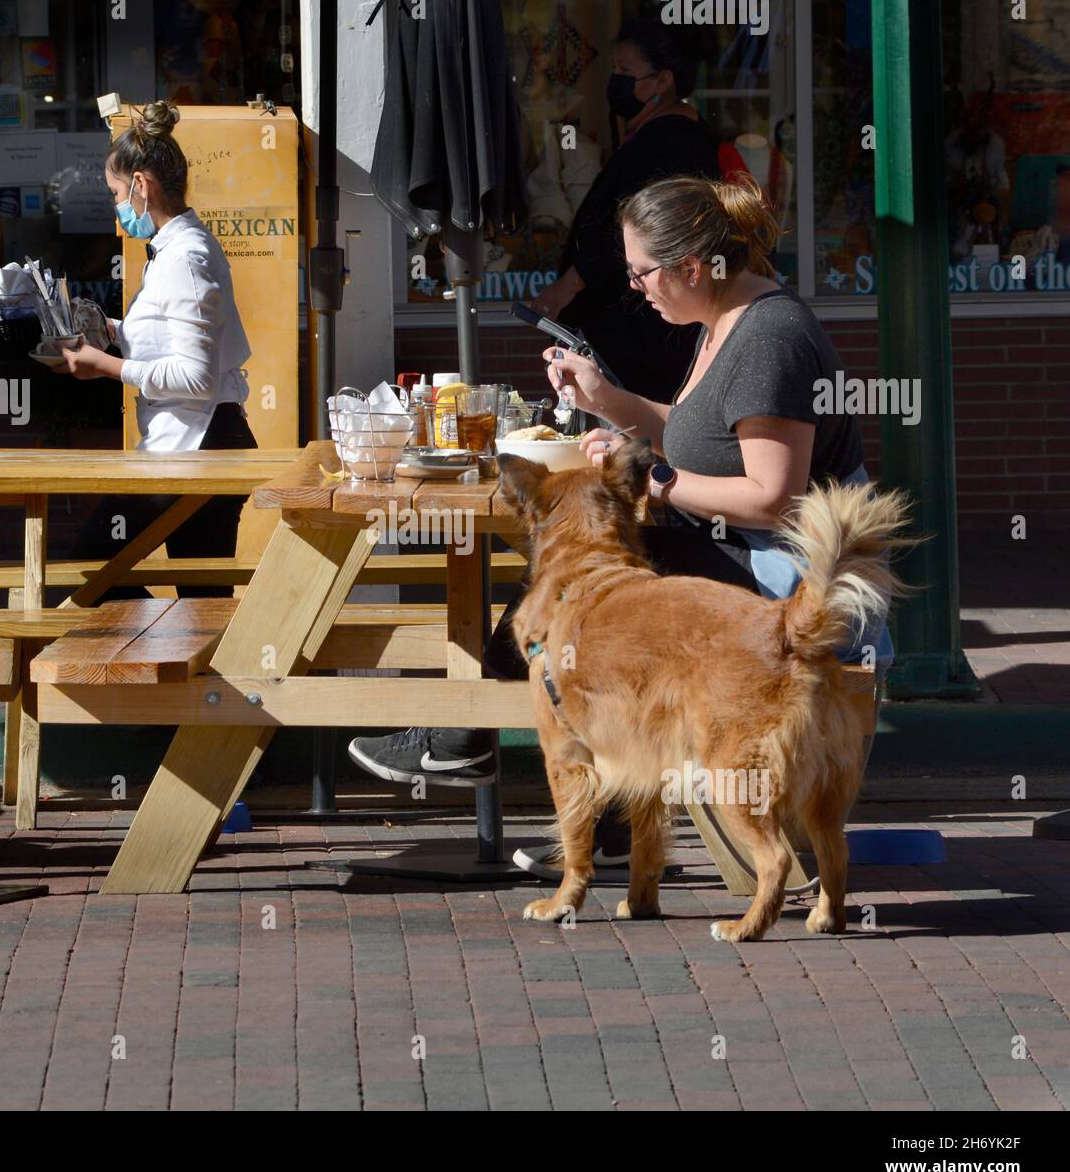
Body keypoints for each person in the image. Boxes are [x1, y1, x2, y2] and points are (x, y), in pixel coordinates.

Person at [349, 175, 891, 875]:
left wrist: (661, 484)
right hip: (748, 559)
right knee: (592, 580)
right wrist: (607, 400)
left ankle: (472, 740)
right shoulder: (722, 318)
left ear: (692, 267)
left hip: (787, 582)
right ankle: (568, 803)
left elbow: (773, 500)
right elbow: (693, 436)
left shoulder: (771, 341)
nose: (635, 287)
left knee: (583, 585)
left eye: (642, 272)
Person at [54, 100, 257, 593]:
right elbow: (168, 333)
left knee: (91, 569)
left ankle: (159, 655)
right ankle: (173, 658)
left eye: (117, 193)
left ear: (141, 186)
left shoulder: (185, 258)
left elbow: (196, 376)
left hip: (200, 443)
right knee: (198, 599)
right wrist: (112, 329)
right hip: (198, 442)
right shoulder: (175, 250)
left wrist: (104, 365)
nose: (116, 206)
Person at [530, 13, 719, 404]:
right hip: (631, 338)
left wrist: (570, 284)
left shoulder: (671, 141)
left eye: (625, 70)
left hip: (639, 345)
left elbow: (631, 229)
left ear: (663, 81)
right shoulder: (658, 135)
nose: (614, 80)